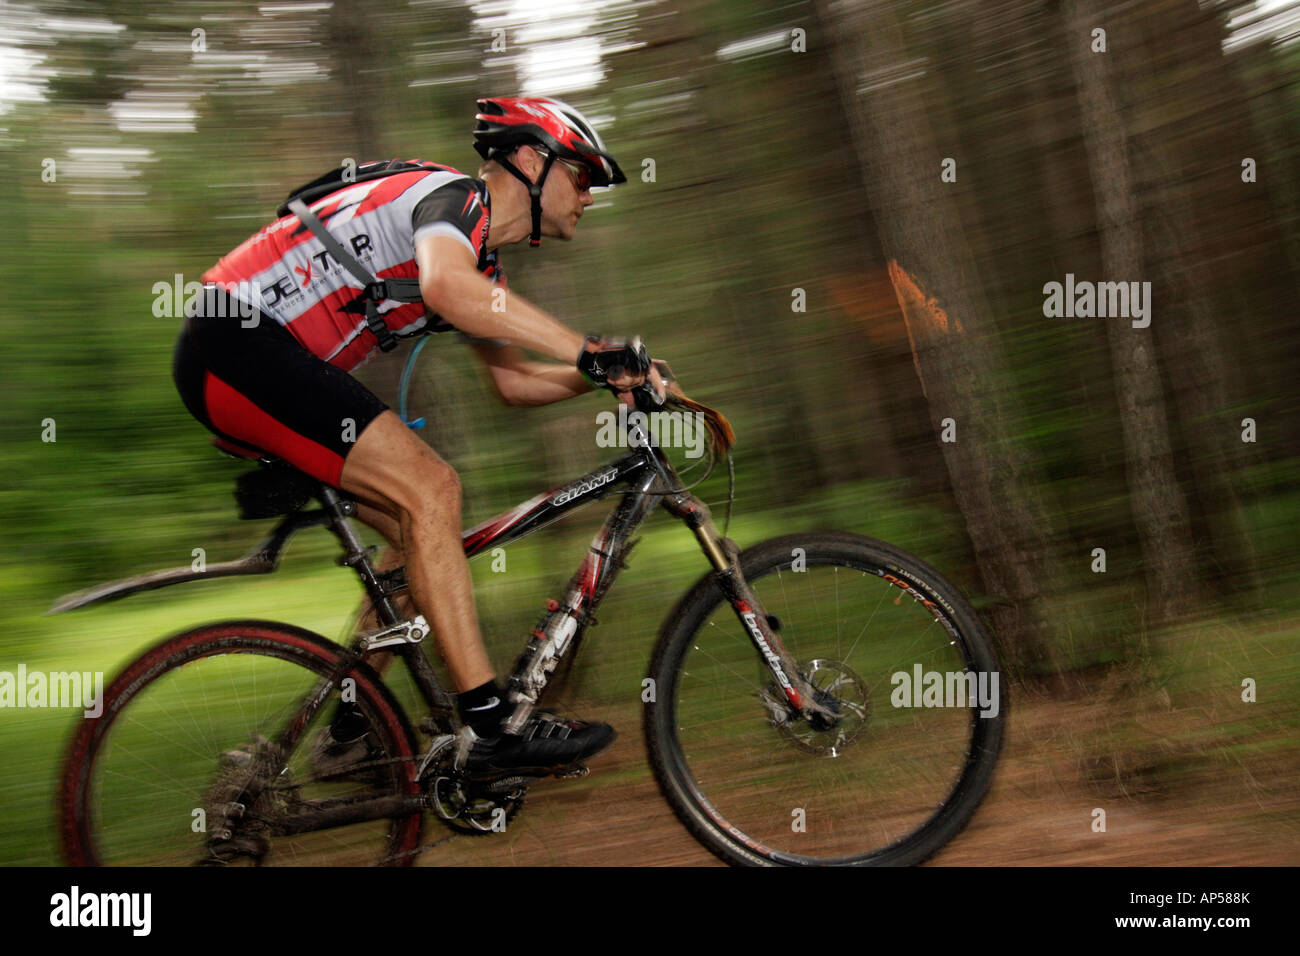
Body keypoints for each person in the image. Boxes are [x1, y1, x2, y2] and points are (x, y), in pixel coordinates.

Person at [172, 96, 665, 777]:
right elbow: (446, 288)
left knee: (416, 533)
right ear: (529, 159)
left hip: (252, 358)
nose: (588, 195)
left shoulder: (479, 264)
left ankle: (351, 729)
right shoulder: (454, 201)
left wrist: (601, 376)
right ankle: (491, 732)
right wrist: (588, 348)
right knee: (433, 488)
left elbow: (515, 384)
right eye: (581, 176)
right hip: (234, 339)